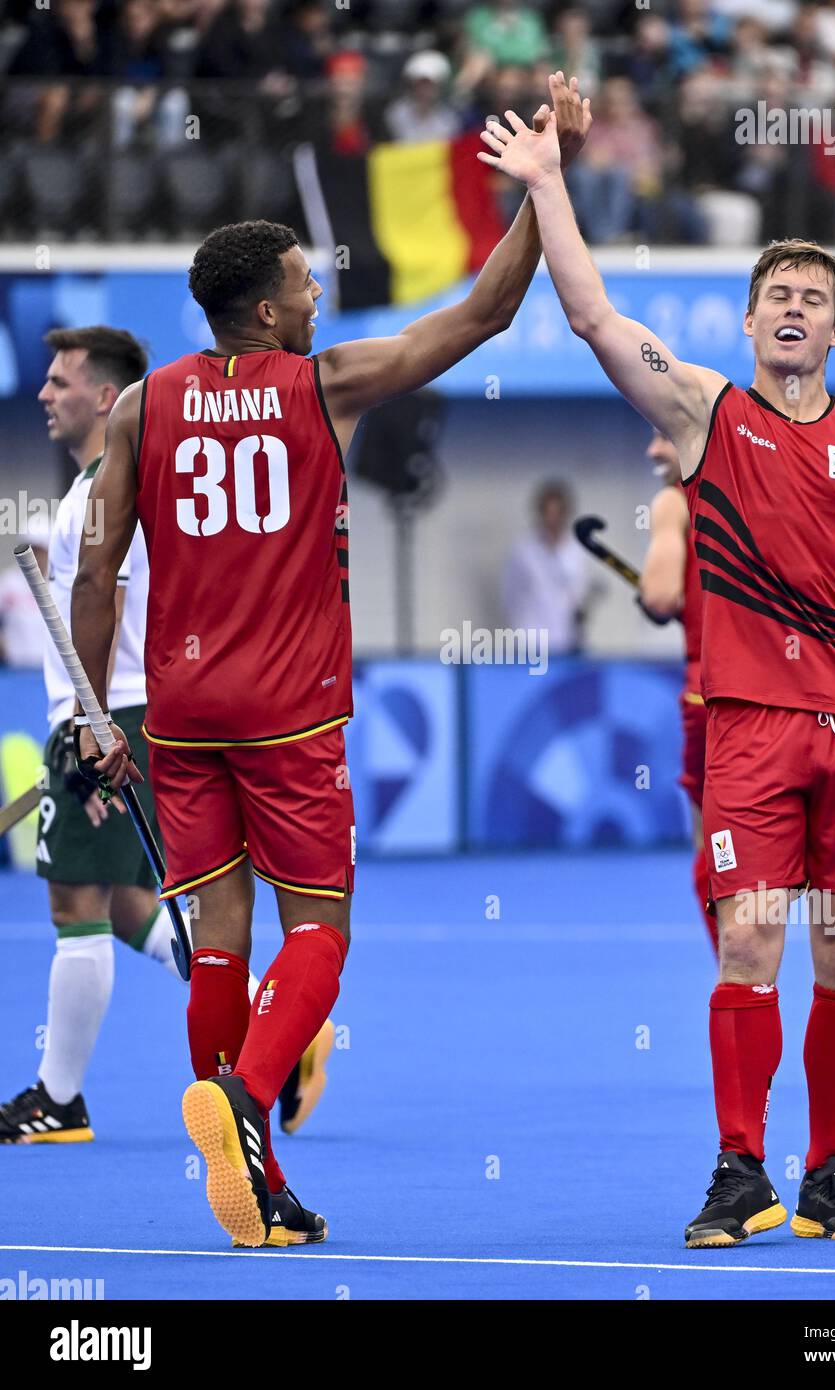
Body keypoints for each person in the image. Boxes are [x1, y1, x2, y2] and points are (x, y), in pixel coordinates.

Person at [70, 74, 591, 1249]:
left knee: (218, 937)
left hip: (181, 714)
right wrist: (537, 194)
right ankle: (245, 1102)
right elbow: (479, 320)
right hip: (290, 718)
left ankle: (247, 1172)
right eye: (304, 281)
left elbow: (95, 575)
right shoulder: (323, 383)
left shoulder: (141, 410)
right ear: (265, 313)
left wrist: (103, 715)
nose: (316, 292)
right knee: (322, 930)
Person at [480, 108, 835, 1247]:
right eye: (778, 297)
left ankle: (829, 1174)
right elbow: (593, 315)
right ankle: (736, 1167)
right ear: (750, 318)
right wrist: (549, 186)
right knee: (748, 937)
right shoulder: (706, 413)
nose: (792, 311)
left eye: (813, 298)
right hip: (750, 726)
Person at [0, 327, 185, 1144]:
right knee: (122, 904)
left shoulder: (108, 488)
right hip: (115, 712)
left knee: (75, 899)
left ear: (105, 398)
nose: (44, 394)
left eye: (59, 381)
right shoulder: (102, 486)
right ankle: (268, 1016)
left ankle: (58, 1099)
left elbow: (107, 616)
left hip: (108, 713)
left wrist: (90, 728)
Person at [639, 431, 717, 957]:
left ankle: (740, 979)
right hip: (787, 695)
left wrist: (654, 599)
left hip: (711, 692)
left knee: (714, 846)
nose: (653, 451)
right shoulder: (757, 488)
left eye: (663, 436)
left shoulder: (674, 500)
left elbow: (662, 595)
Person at [501, 479, 594, 656]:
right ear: (540, 513)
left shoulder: (576, 550)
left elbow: (580, 593)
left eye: (557, 513)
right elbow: (509, 595)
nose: (553, 520)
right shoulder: (523, 550)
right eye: (548, 513)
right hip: (530, 641)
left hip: (566, 640)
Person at [0, 513, 50, 669]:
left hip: (50, 672)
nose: (33, 556)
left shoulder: (61, 583)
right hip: (12, 672)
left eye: (38, 550)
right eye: (29, 549)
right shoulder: (8, 582)